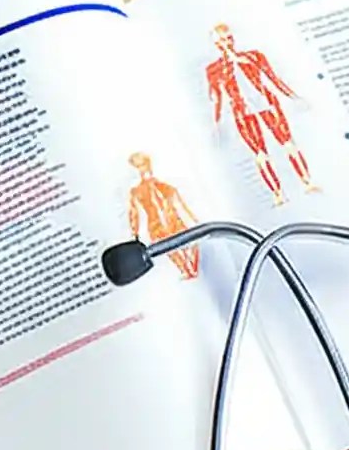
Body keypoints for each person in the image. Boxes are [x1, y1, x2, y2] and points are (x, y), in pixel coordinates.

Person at [205, 23, 319, 206]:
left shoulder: (253, 56)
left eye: (229, 38)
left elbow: (273, 78)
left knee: (288, 143)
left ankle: (307, 182)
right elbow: (217, 99)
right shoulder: (214, 70)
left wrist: (294, 97)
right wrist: (216, 123)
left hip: (266, 104)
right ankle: (278, 193)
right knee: (260, 154)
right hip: (243, 113)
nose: (227, 43)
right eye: (222, 40)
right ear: (216, 44)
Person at [127, 152, 200, 280]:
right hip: (156, 225)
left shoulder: (165, 186)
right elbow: (134, 213)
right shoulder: (136, 192)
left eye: (144, 165)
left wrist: (193, 218)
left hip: (173, 219)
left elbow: (181, 203)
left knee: (192, 243)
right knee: (170, 249)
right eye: (139, 167)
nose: (143, 169)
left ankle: (192, 269)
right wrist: (135, 234)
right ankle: (185, 271)